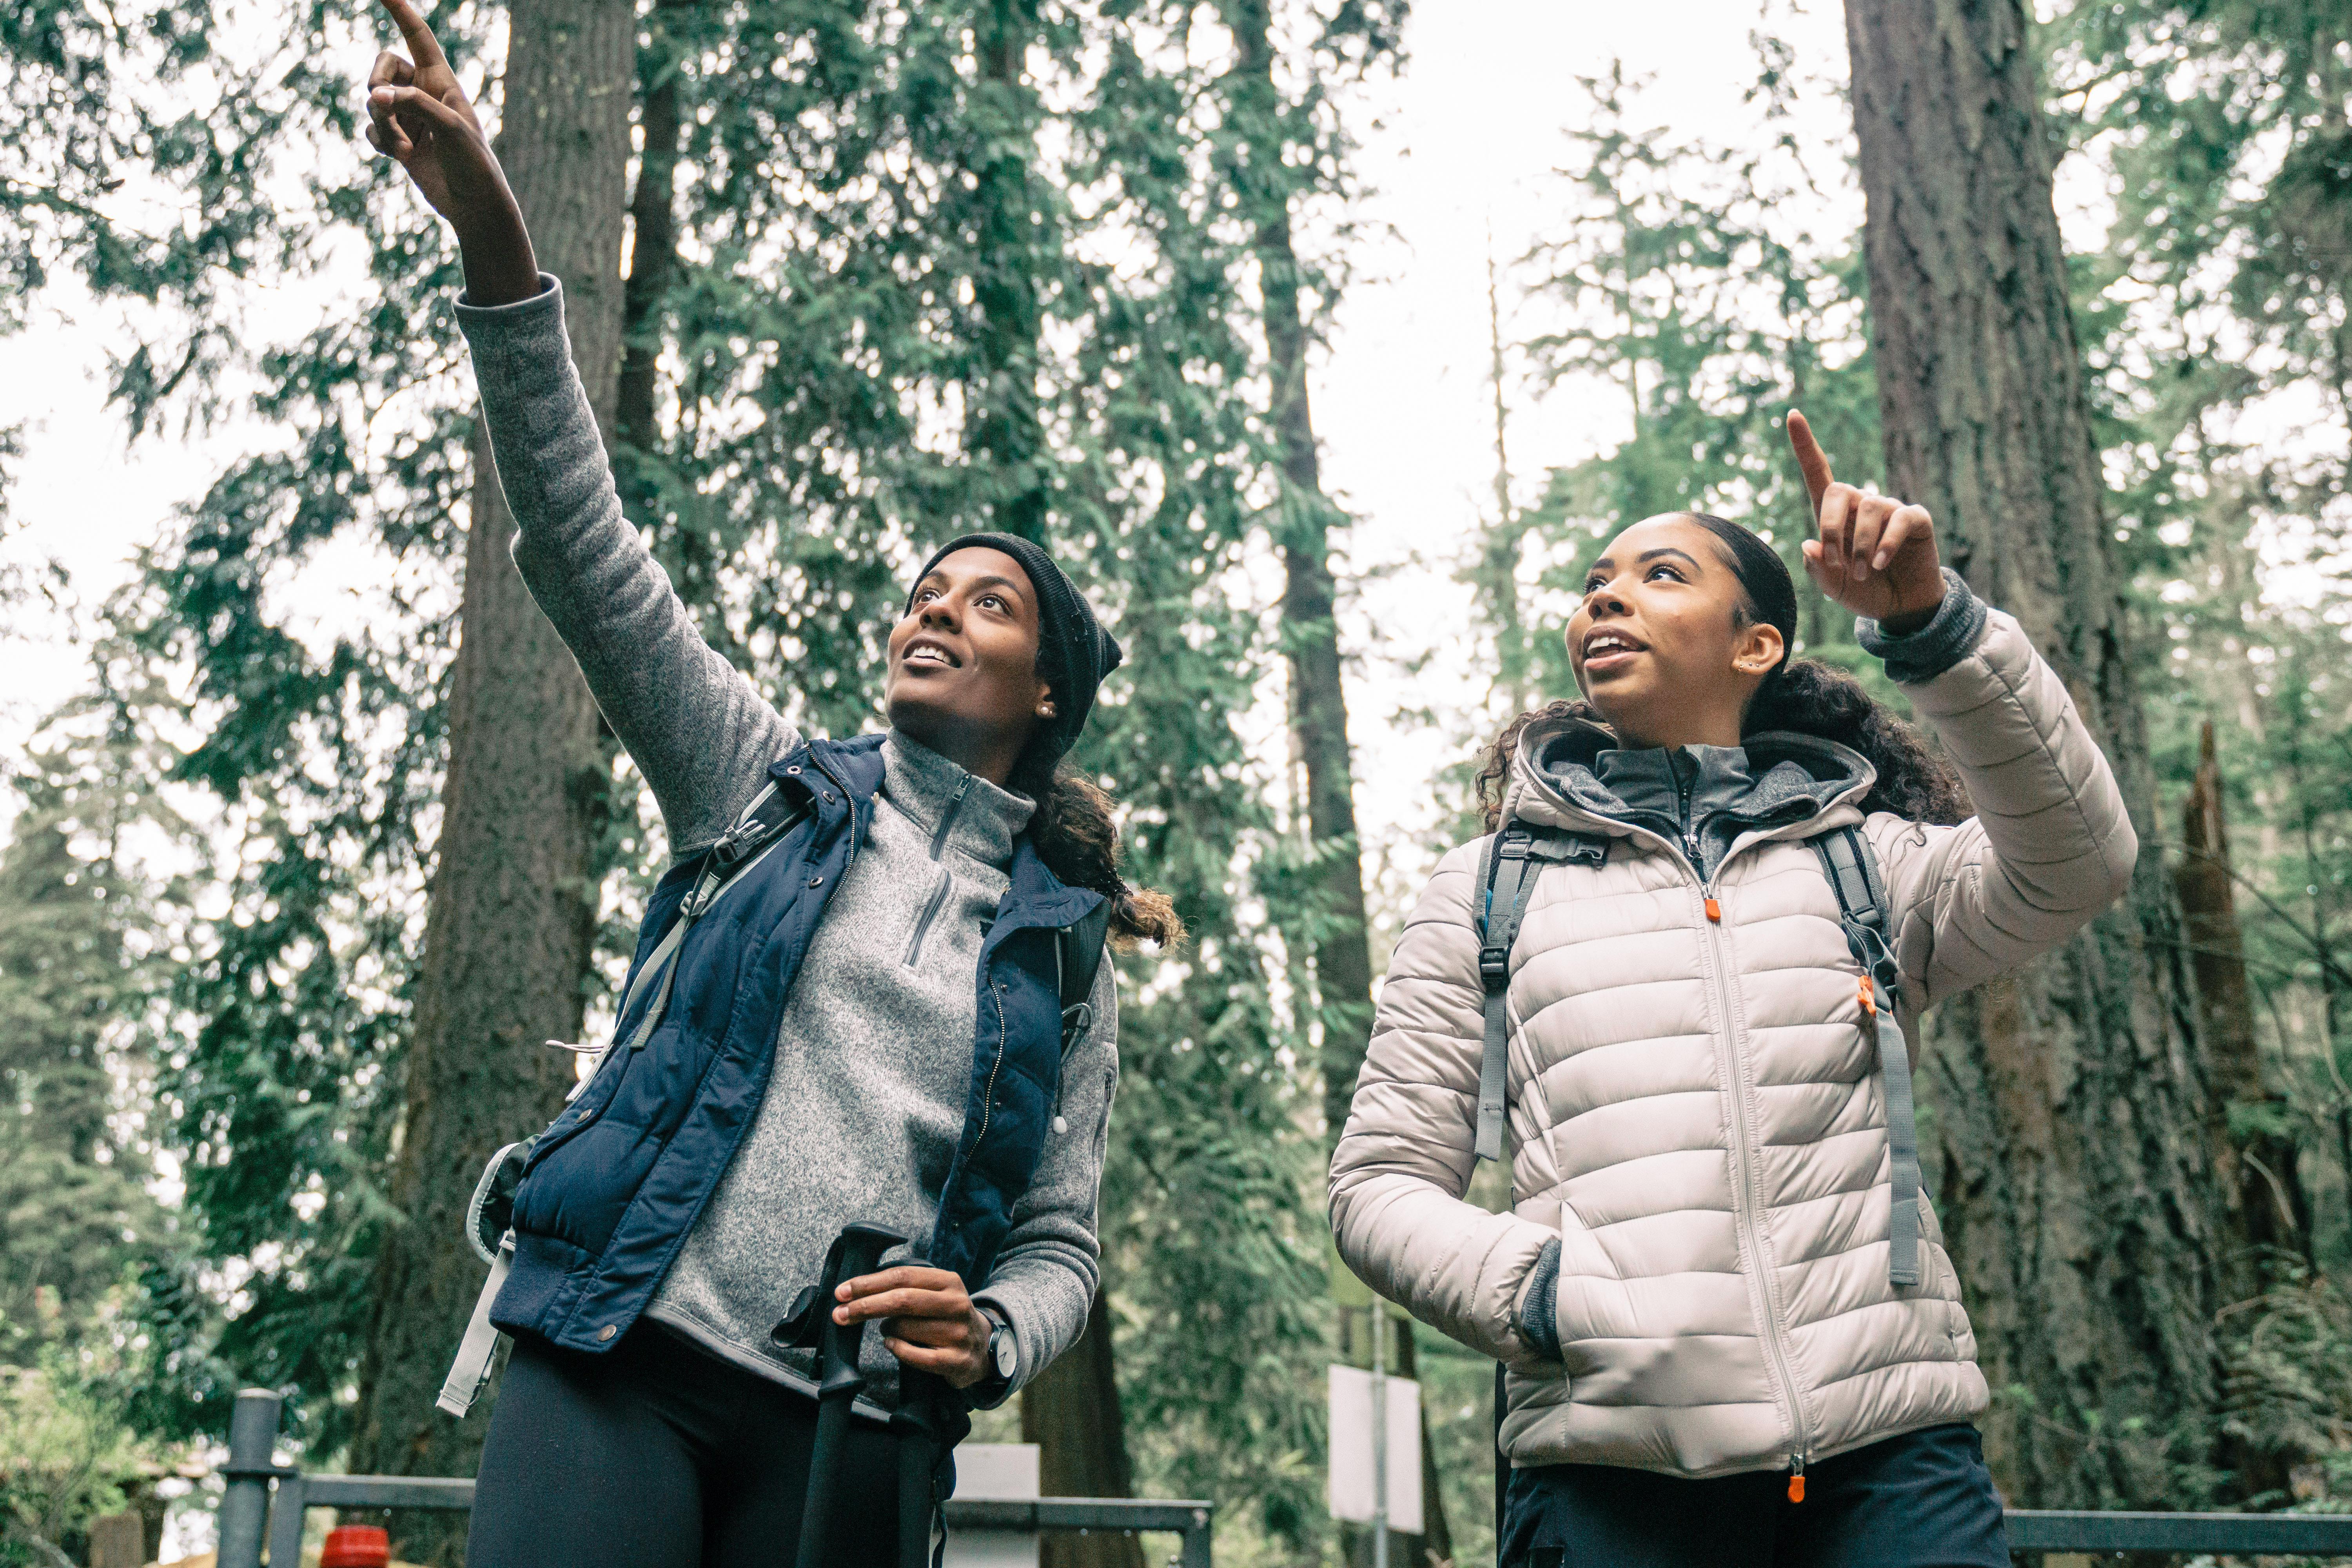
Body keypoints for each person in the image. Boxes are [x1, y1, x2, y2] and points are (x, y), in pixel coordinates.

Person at [360, 4, 1179, 1564]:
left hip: (850, 1433)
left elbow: (1060, 1235)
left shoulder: (1063, 948)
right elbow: (583, 543)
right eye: (928, 588)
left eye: (986, 601)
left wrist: (994, 1331)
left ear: (1048, 690)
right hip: (619, 1357)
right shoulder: (771, 789)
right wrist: (492, 221)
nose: (936, 607)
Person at [1328, 412, 2139, 1567]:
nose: (1604, 600)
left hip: (1889, 1456)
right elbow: (1378, 1186)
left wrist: (1933, 626)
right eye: (1594, 584)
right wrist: (1547, 1296)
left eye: (1660, 576)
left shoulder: (1867, 861)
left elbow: (2080, 860)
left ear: (1755, 645)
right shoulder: (1484, 889)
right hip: (1614, 1471)